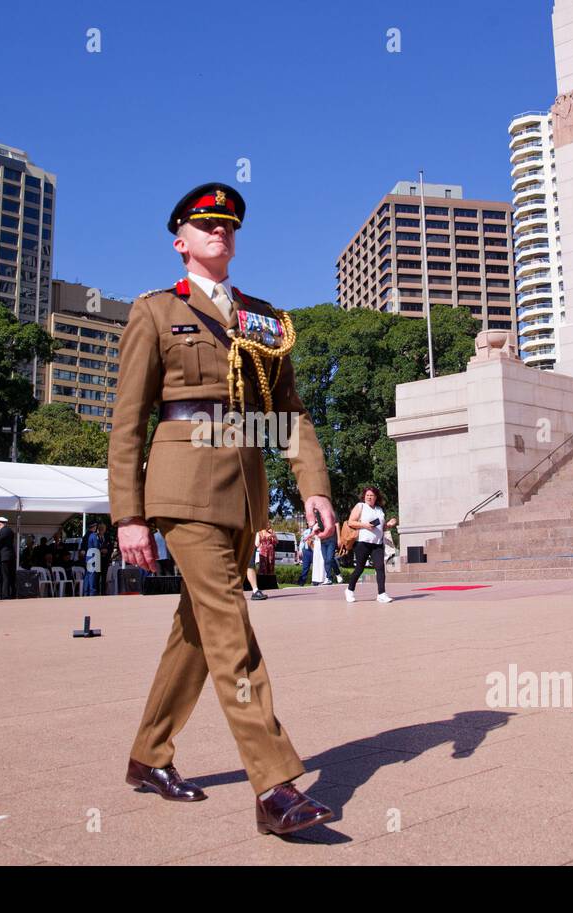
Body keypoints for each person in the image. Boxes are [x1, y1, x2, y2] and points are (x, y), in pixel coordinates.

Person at [110, 182, 337, 836]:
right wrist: (128, 513)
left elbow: (286, 414)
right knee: (231, 628)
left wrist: (313, 486)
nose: (222, 234)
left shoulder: (262, 318)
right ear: (180, 240)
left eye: (230, 227)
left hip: (244, 489)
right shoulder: (154, 312)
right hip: (182, 489)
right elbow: (127, 422)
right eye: (207, 226)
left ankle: (148, 756)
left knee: (197, 631)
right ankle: (275, 786)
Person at [345, 486, 398, 604]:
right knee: (360, 568)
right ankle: (349, 590)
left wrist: (389, 524)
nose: (369, 497)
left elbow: (381, 527)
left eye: (372, 495)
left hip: (377, 544)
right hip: (362, 542)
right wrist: (365, 525)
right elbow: (351, 522)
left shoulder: (379, 509)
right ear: (364, 496)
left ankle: (381, 594)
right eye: (367, 495)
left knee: (380, 567)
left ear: (376, 497)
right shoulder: (360, 506)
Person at [0, 516, 16, 600]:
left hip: (3, 557)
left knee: (3, 576)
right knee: (10, 575)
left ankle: (4, 594)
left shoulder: (2, 532)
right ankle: (12, 593)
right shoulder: (10, 531)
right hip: (10, 556)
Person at [83, 522, 102, 597]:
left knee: (87, 575)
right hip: (93, 556)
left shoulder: (86, 535)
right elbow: (96, 546)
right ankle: (92, 592)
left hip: (88, 557)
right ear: (94, 527)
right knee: (92, 575)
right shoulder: (93, 535)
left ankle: (85, 592)